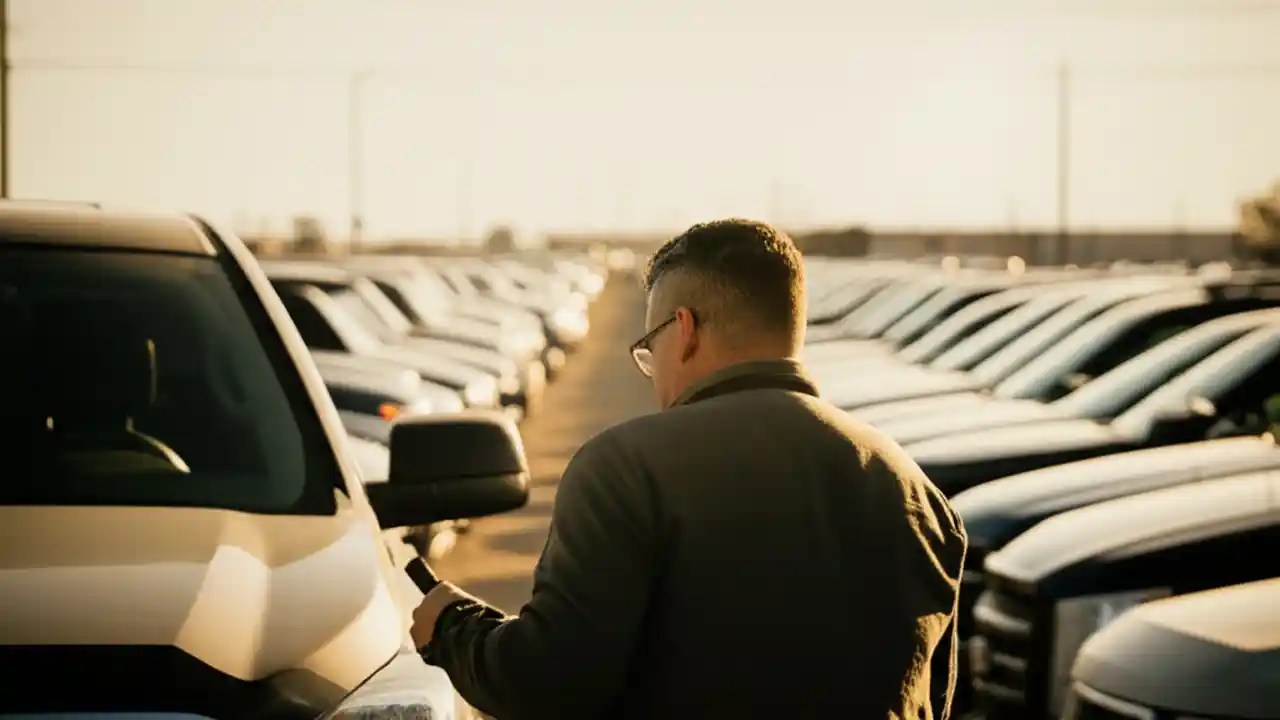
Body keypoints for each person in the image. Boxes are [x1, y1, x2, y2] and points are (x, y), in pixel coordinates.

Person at [410, 219, 968, 719]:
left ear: (685, 328)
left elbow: (550, 683)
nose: (650, 376)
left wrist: (453, 629)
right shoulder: (916, 491)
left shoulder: (625, 467)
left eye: (649, 349)